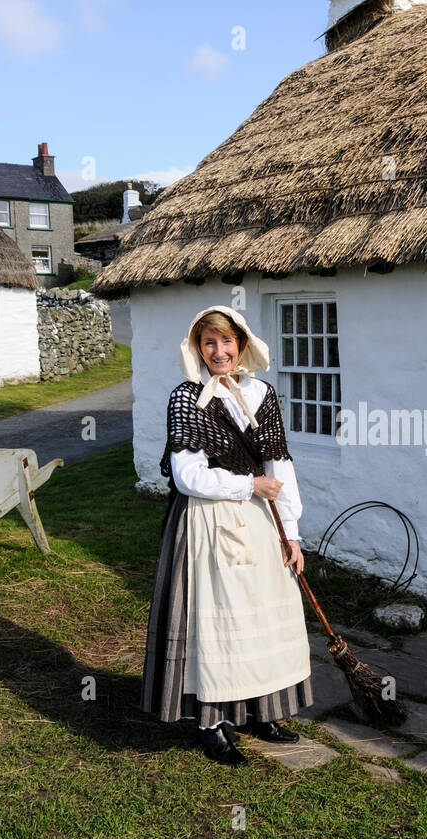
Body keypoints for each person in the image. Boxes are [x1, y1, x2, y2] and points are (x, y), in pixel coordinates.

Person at [140, 305, 313, 766]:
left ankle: (264, 711)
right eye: (208, 343)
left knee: (260, 617)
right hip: (206, 521)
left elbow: (280, 466)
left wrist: (291, 532)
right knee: (216, 624)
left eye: (226, 342)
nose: (219, 351)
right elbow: (186, 475)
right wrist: (247, 485)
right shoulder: (187, 398)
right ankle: (212, 723)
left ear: (241, 343)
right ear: (197, 348)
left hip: (260, 520)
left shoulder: (262, 393)